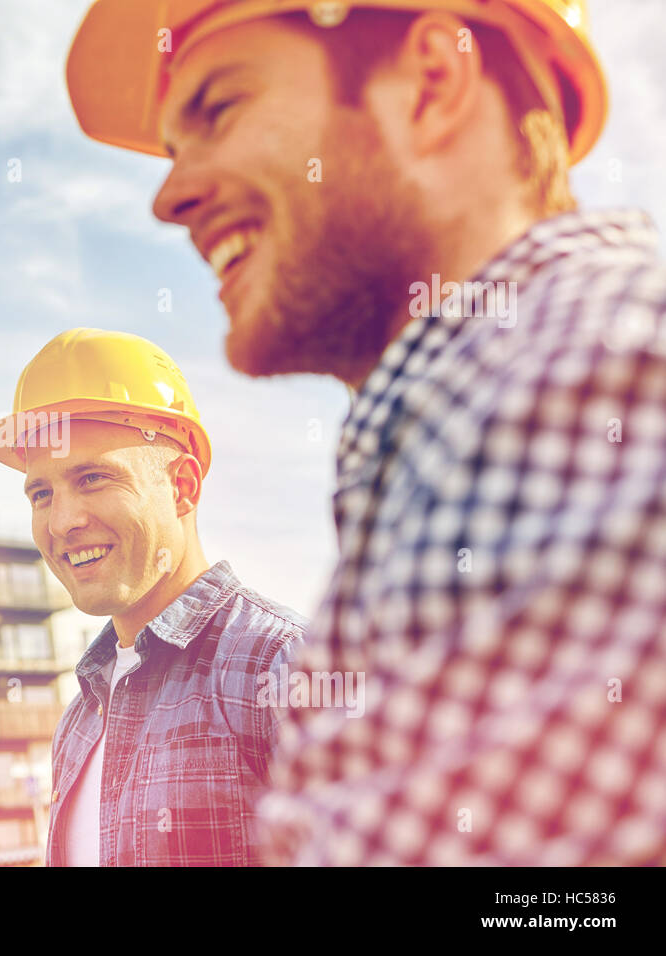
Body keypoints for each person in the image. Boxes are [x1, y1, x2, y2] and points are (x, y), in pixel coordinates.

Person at [65, 0, 666, 864]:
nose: (171, 195)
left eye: (220, 110)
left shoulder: (584, 385)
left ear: (431, 83)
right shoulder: (457, 436)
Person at [0, 327, 305, 865]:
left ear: (182, 488)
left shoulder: (282, 664)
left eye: (93, 478)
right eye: (42, 493)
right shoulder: (78, 723)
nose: (62, 522)